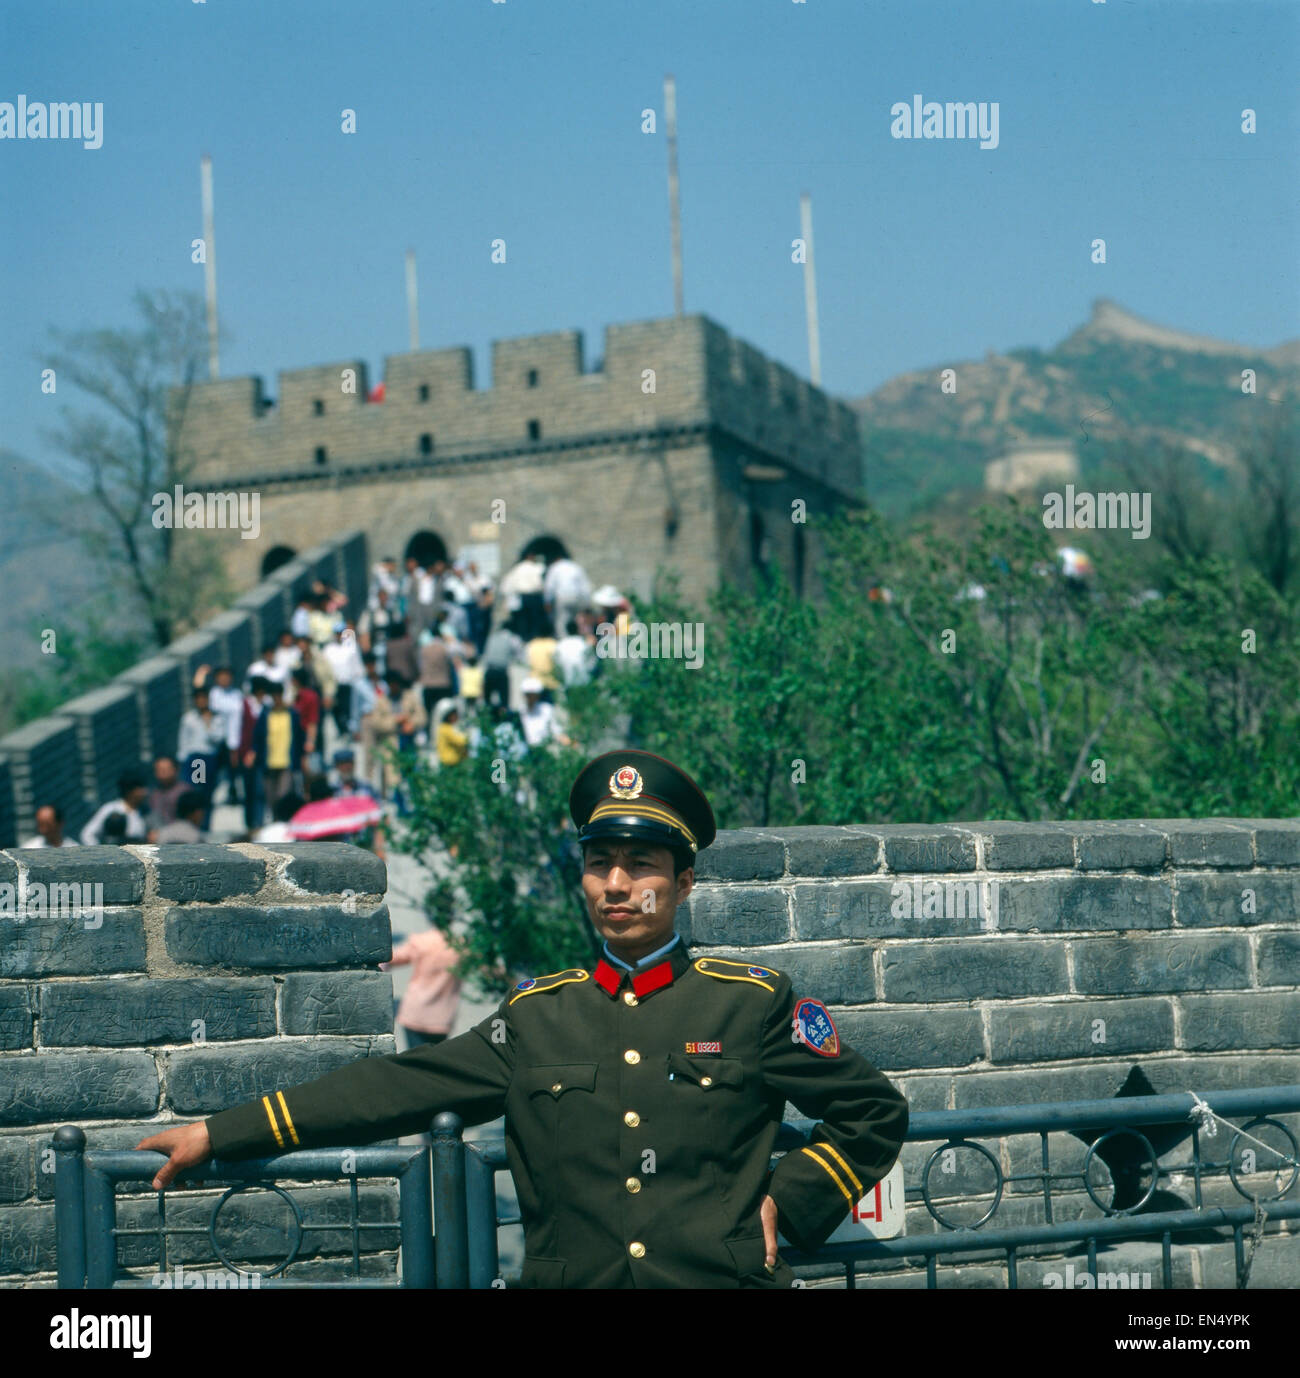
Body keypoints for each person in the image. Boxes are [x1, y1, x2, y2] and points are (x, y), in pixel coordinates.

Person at [138, 750, 909, 1289]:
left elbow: (871, 1113)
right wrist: (223, 1132)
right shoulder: (539, 1017)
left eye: (640, 865)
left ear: (683, 883)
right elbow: (398, 1086)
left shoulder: (750, 1002)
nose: (616, 883)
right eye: (598, 862)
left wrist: (791, 1199)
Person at [380, 928, 463, 1050]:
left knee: (415, 1060)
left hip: (415, 1013)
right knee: (436, 1059)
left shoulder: (420, 941)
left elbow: (389, 959)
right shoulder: (460, 945)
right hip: (442, 1016)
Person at [251, 681, 303, 813]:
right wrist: (254, 752)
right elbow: (258, 736)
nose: (277, 699)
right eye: (274, 696)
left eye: (278, 695)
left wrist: (301, 757)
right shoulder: (265, 714)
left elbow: (299, 737)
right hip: (269, 762)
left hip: (286, 761)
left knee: (283, 795)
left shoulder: (292, 714)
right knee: (270, 798)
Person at [207, 667, 246, 806]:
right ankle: (205, 796)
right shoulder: (212, 694)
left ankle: (232, 793)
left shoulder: (237, 694)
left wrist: (234, 743)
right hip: (213, 740)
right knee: (204, 771)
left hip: (232, 739)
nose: (224, 679)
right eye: (221, 676)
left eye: (227, 676)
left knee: (232, 769)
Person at [80, 770, 149, 845]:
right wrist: (100, 852)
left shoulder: (145, 812)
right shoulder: (110, 808)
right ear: (129, 791)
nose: (144, 792)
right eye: (140, 789)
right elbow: (87, 834)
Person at [518, 675, 568, 748]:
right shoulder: (520, 712)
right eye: (528, 695)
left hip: (542, 749)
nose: (531, 698)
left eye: (533, 695)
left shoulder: (546, 710)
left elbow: (556, 731)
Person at [146, 756, 186, 834]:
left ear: (176, 770)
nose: (162, 773)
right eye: (159, 770)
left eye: (165, 770)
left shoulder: (184, 792)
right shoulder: (153, 793)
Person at [435, 702, 469, 767]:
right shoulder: (445, 729)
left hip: (455, 762)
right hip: (449, 763)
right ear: (447, 716)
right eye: (453, 714)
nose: (456, 716)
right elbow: (461, 741)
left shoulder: (449, 727)